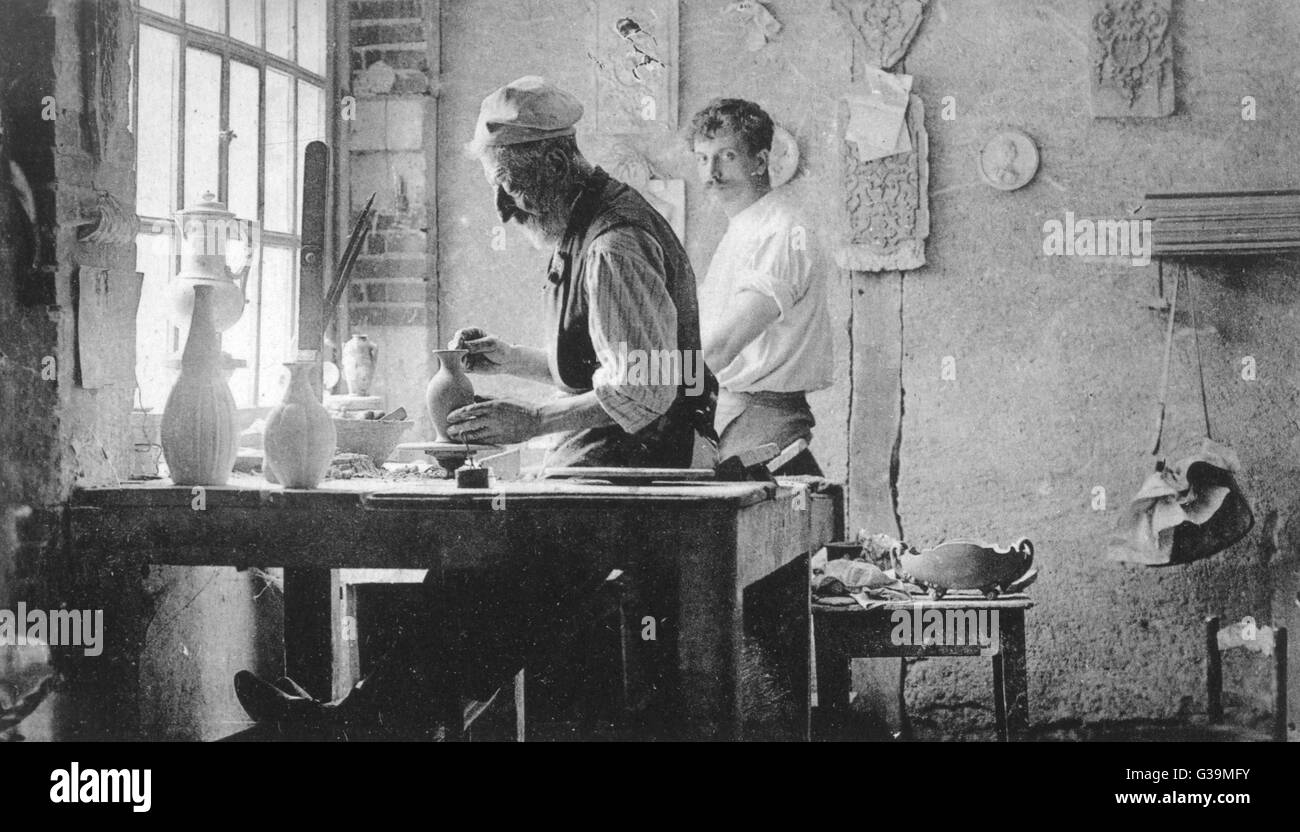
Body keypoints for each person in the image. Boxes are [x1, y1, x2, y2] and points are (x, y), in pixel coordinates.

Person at [232, 76, 715, 739]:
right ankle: (362, 719)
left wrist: (534, 421)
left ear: (556, 161)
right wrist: (508, 359)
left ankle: (361, 724)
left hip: (654, 470)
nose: (504, 209)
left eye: (510, 187)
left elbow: (646, 388)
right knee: (465, 569)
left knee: (485, 577)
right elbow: (609, 364)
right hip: (617, 463)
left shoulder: (613, 245)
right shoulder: (588, 225)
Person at [689, 98, 833, 475]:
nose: (711, 173)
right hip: (734, 412)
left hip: (766, 419)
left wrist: (646, 385)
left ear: (759, 161)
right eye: (703, 158)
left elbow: (720, 347)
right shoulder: (743, 229)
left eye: (727, 156)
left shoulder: (781, 232)